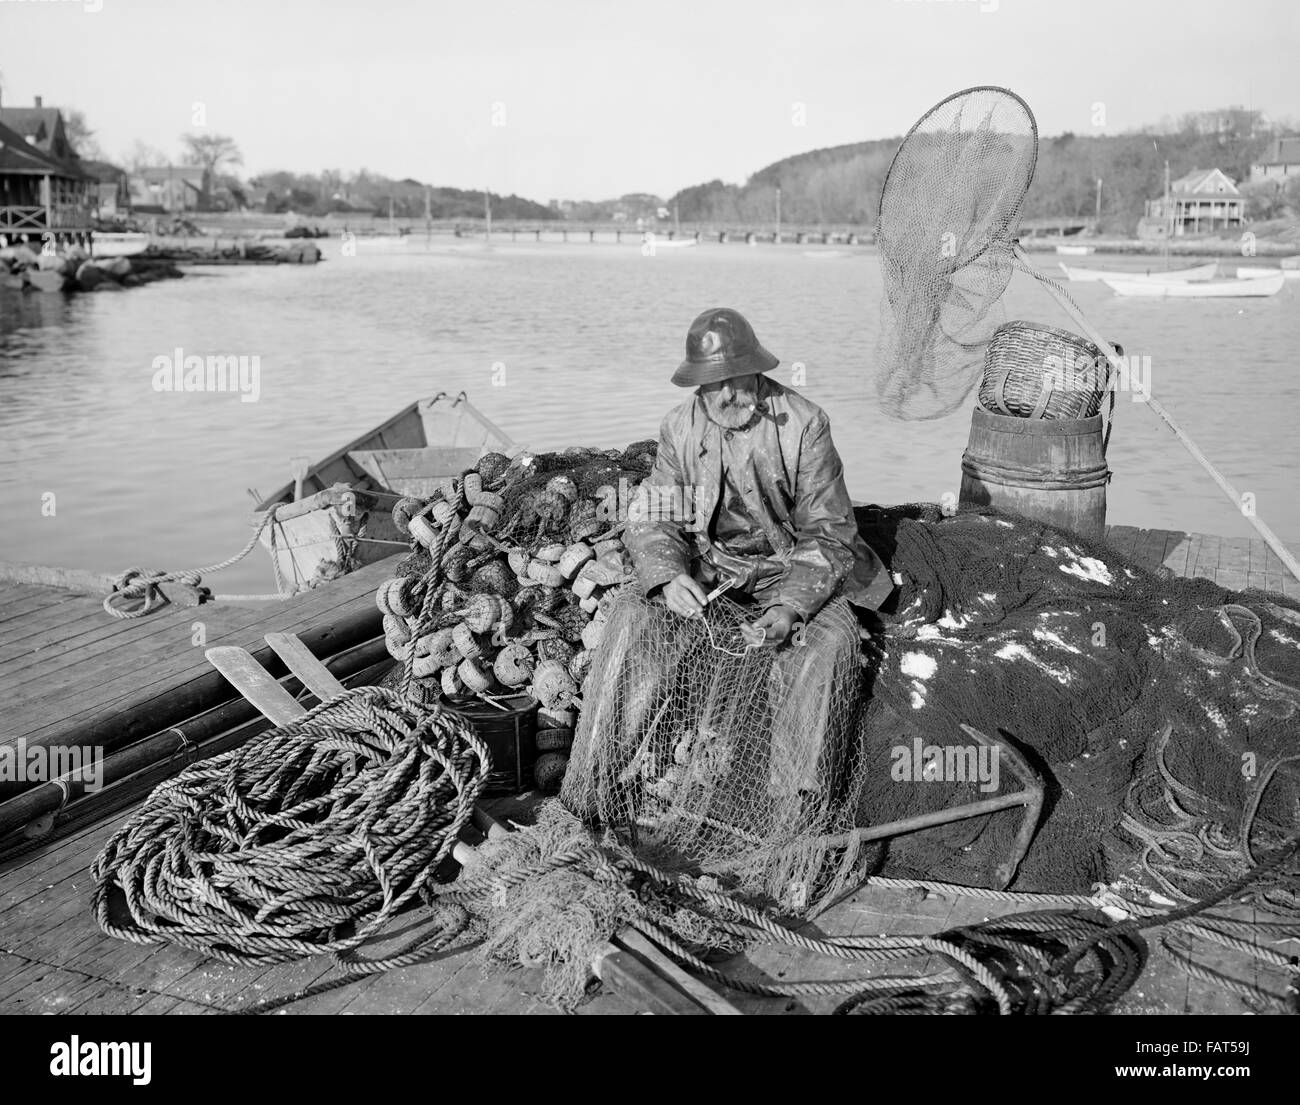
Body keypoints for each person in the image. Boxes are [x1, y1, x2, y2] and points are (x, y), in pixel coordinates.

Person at [562, 308, 892, 863]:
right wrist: (669, 578)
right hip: (713, 568)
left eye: (735, 377)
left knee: (829, 645)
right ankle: (591, 792)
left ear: (756, 371)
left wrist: (790, 609)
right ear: (698, 384)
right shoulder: (678, 426)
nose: (725, 393)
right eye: (712, 384)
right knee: (634, 617)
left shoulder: (805, 422)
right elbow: (653, 516)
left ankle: (793, 819)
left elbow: (830, 530)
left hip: (792, 567)